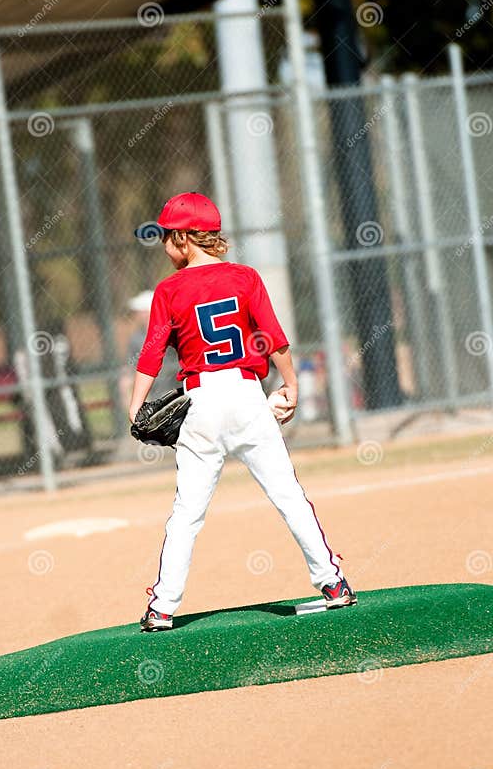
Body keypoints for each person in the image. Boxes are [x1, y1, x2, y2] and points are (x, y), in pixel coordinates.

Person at [130, 192, 356, 632]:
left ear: (182, 239)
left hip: (200, 403)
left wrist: (135, 406)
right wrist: (289, 384)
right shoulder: (245, 277)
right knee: (288, 495)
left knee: (186, 512)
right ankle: (332, 584)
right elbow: (274, 339)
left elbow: (152, 353)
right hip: (249, 397)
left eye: (165, 237)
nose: (163, 245)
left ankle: (162, 608)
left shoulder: (169, 289)